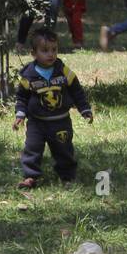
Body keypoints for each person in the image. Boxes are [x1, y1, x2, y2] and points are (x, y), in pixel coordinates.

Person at [13, 28, 93, 188]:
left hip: (60, 121)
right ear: (33, 53)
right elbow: (22, 97)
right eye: (44, 51)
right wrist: (20, 114)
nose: (50, 54)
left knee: (64, 149)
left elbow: (77, 91)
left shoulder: (63, 71)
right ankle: (30, 176)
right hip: (37, 122)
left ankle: (67, 176)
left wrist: (84, 109)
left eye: (54, 50)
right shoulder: (28, 75)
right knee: (32, 149)